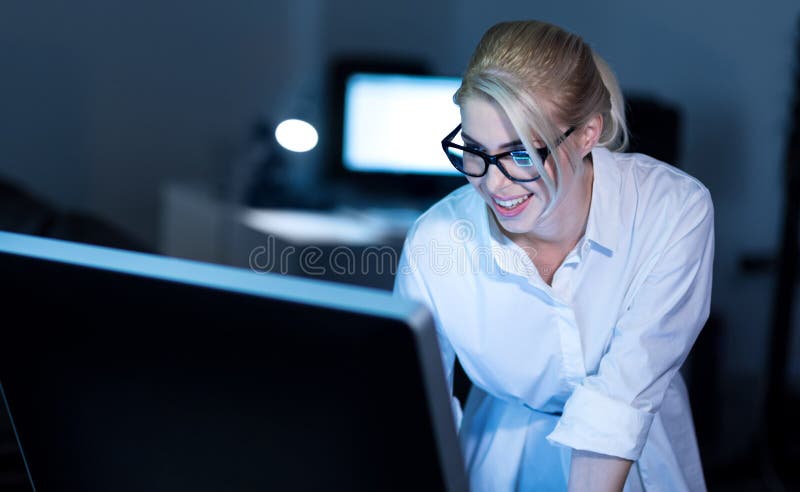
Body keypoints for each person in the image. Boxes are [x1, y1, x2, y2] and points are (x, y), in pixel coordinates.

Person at [393, 20, 713, 492]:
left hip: (635, 461)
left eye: (521, 154)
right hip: (497, 461)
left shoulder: (672, 210)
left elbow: (621, 397)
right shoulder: (435, 241)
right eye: (475, 151)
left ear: (587, 134)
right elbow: (414, 412)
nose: (492, 184)